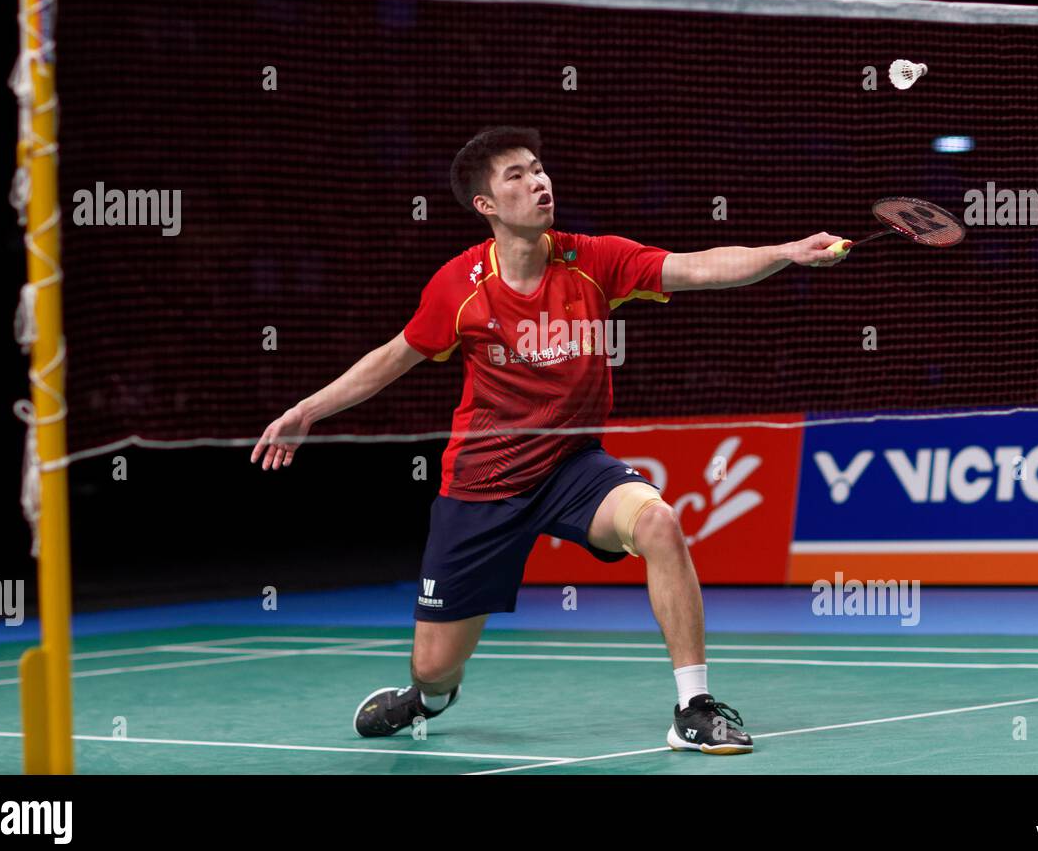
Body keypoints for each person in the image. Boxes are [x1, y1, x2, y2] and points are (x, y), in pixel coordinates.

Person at [252, 126, 846, 754]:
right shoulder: (460, 286)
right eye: (518, 175)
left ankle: (692, 706)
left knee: (659, 525)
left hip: (571, 468)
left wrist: (787, 251)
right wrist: (307, 412)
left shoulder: (592, 260)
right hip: (481, 486)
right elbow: (394, 356)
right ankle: (427, 699)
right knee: (433, 666)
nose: (539, 182)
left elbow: (695, 267)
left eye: (539, 169)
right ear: (485, 205)